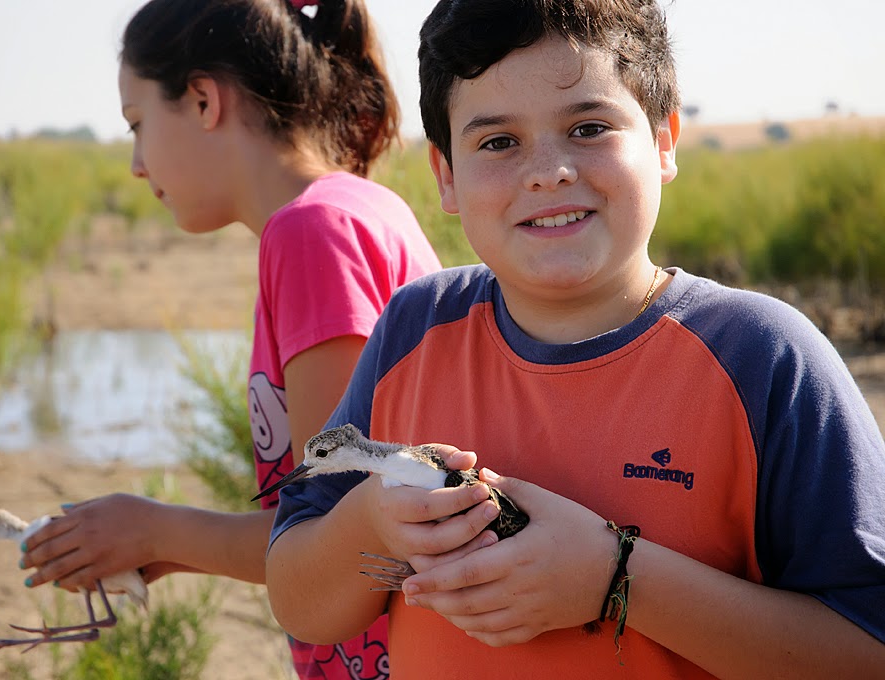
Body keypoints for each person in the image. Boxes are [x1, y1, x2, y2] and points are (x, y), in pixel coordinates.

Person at [263, 0, 885, 677]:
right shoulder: (413, 330)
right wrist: (372, 523)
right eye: (498, 142)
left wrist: (618, 578)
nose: (549, 171)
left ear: (665, 140)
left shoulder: (763, 358)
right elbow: (300, 602)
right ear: (445, 176)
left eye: (589, 127)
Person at [19, 1, 441, 678]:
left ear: (203, 99)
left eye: (137, 124)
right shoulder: (357, 206)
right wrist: (158, 549)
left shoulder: (309, 233)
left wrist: (153, 526)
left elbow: (337, 540)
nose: (135, 162)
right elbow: (353, 519)